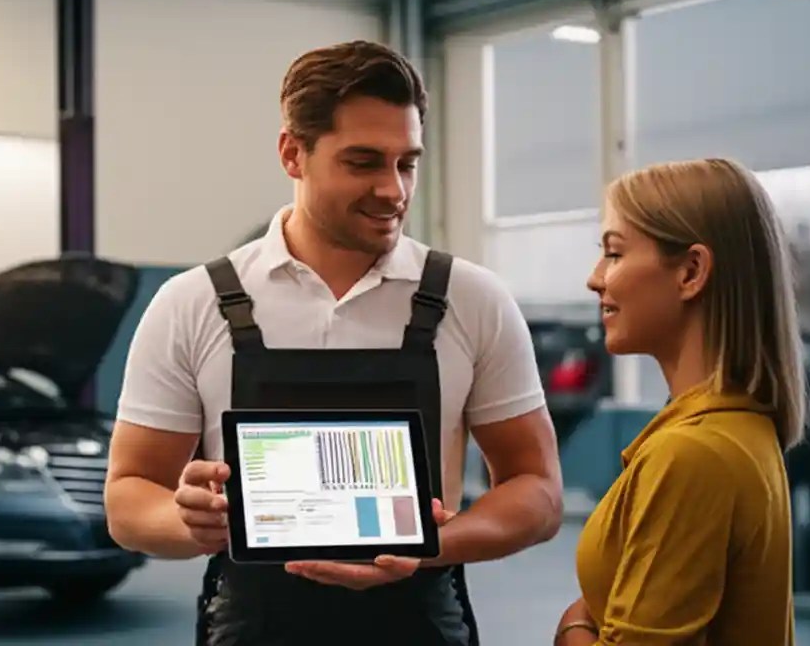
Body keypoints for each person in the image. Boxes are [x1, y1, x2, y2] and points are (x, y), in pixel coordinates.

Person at [103, 39, 565, 645]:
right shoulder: (194, 304)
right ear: (293, 153)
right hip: (253, 625)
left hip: (420, 622)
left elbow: (538, 489)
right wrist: (189, 521)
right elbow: (128, 497)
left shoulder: (470, 299)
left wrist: (429, 547)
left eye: (407, 163)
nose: (394, 191)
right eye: (363, 161)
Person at [556, 157, 809, 645]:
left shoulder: (692, 456)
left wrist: (574, 626)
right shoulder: (739, 429)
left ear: (691, 271)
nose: (595, 278)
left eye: (614, 254)